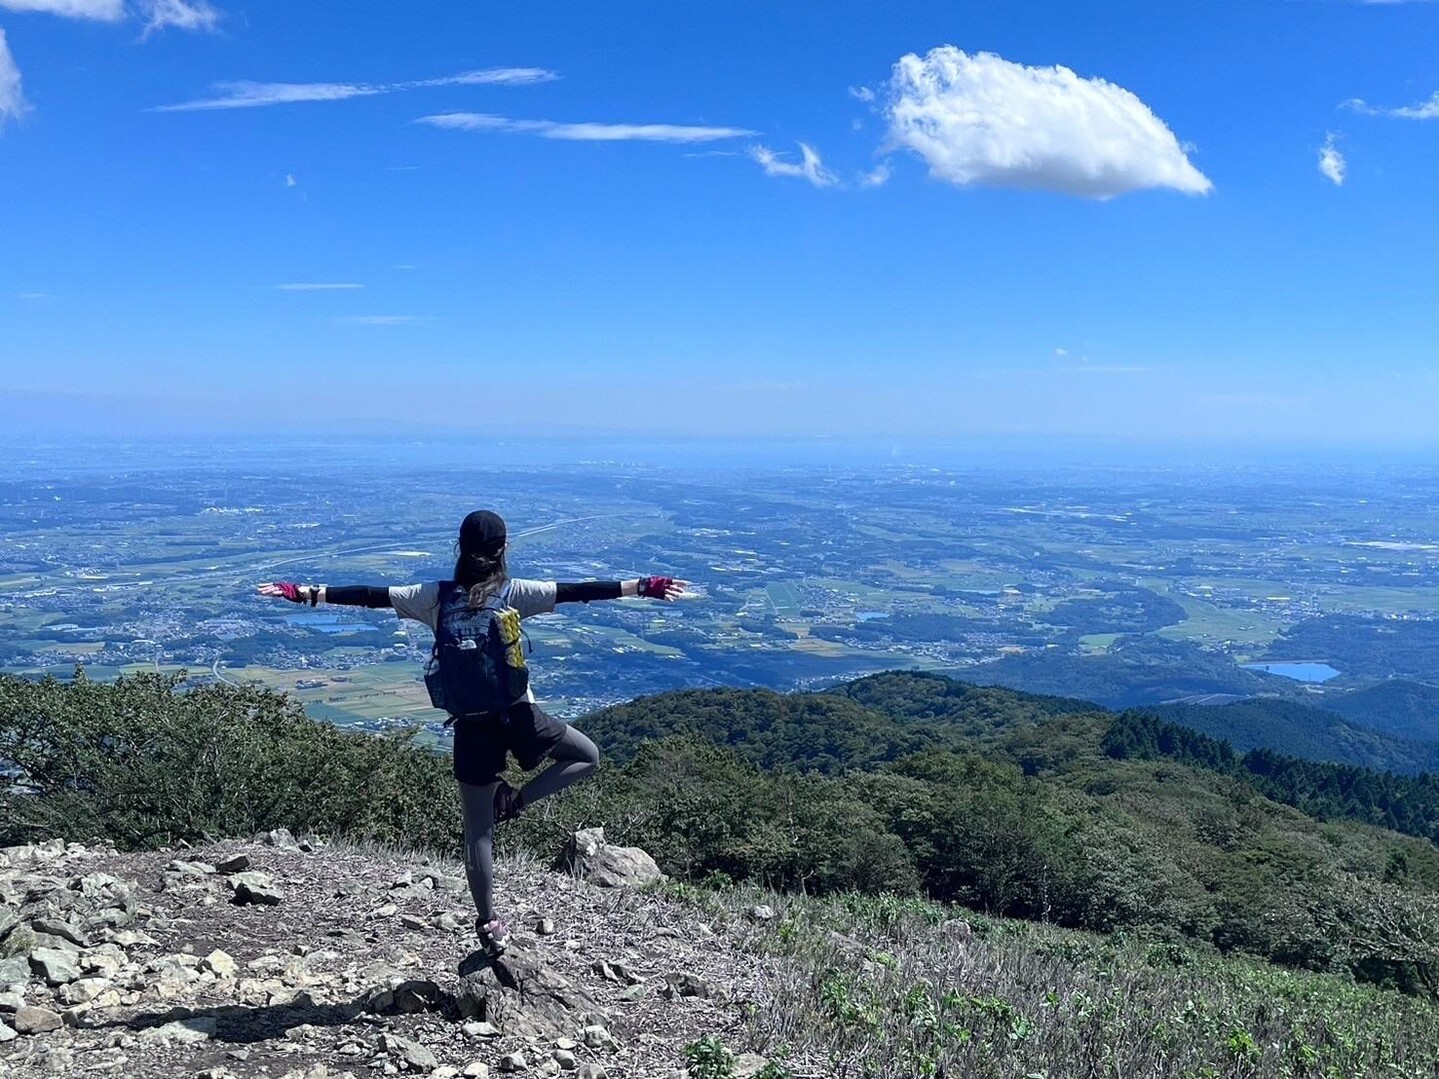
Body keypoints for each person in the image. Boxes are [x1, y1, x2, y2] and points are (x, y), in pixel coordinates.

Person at [258, 509, 687, 957]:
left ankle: (489, 923)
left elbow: (369, 596)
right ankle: (517, 799)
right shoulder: (515, 592)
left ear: (460, 547)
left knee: (477, 833)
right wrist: (641, 586)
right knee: (587, 756)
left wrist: (304, 593)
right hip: (521, 715)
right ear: (503, 548)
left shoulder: (434, 597)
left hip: (472, 726)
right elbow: (579, 592)